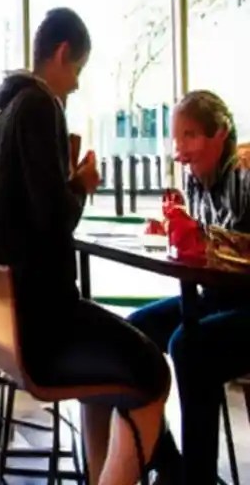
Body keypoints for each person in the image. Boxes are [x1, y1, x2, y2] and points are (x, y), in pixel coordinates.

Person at [0, 8, 178, 485]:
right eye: (78, 71)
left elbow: (33, 212)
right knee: (152, 373)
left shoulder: (5, 114)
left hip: (10, 327)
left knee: (113, 372)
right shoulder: (40, 107)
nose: (75, 86)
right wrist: (83, 183)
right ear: (63, 53)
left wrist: (65, 181)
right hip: (44, 325)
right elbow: (55, 221)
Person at [128, 91, 250, 485]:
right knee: (133, 333)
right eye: (176, 136)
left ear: (220, 134)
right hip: (216, 298)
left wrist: (203, 239)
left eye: (191, 134)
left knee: (189, 346)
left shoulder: (245, 173)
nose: (180, 148)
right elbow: (199, 252)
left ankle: (197, 480)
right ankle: (167, 459)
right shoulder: (195, 179)